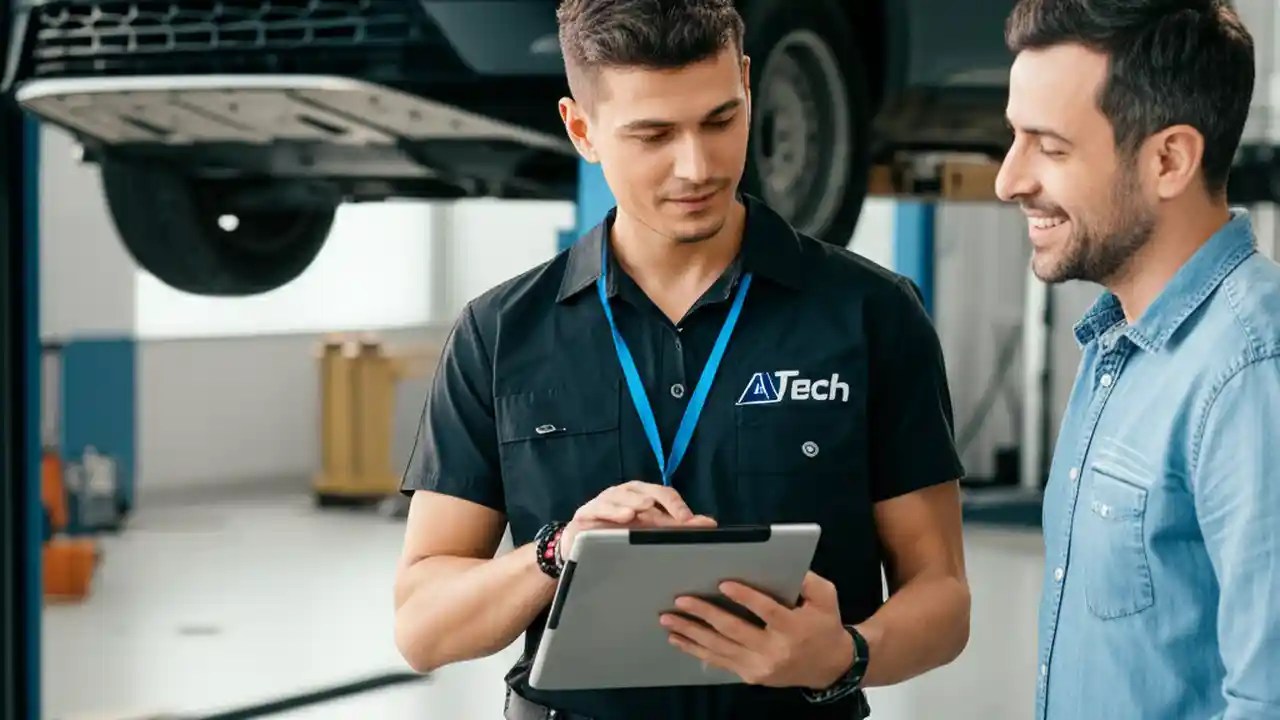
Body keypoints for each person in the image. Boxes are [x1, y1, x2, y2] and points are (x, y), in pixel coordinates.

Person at [393, 1, 970, 718]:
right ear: (582, 129)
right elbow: (423, 629)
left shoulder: (872, 315)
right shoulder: (500, 334)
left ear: (751, 87)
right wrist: (558, 551)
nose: (696, 166)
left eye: (720, 120)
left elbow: (942, 597)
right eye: (654, 134)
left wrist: (846, 654)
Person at [995, 1, 1280, 718]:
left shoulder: (1250, 373)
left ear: (1168, 159)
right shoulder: (1118, 344)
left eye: (1049, 147)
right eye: (1013, 138)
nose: (1008, 180)